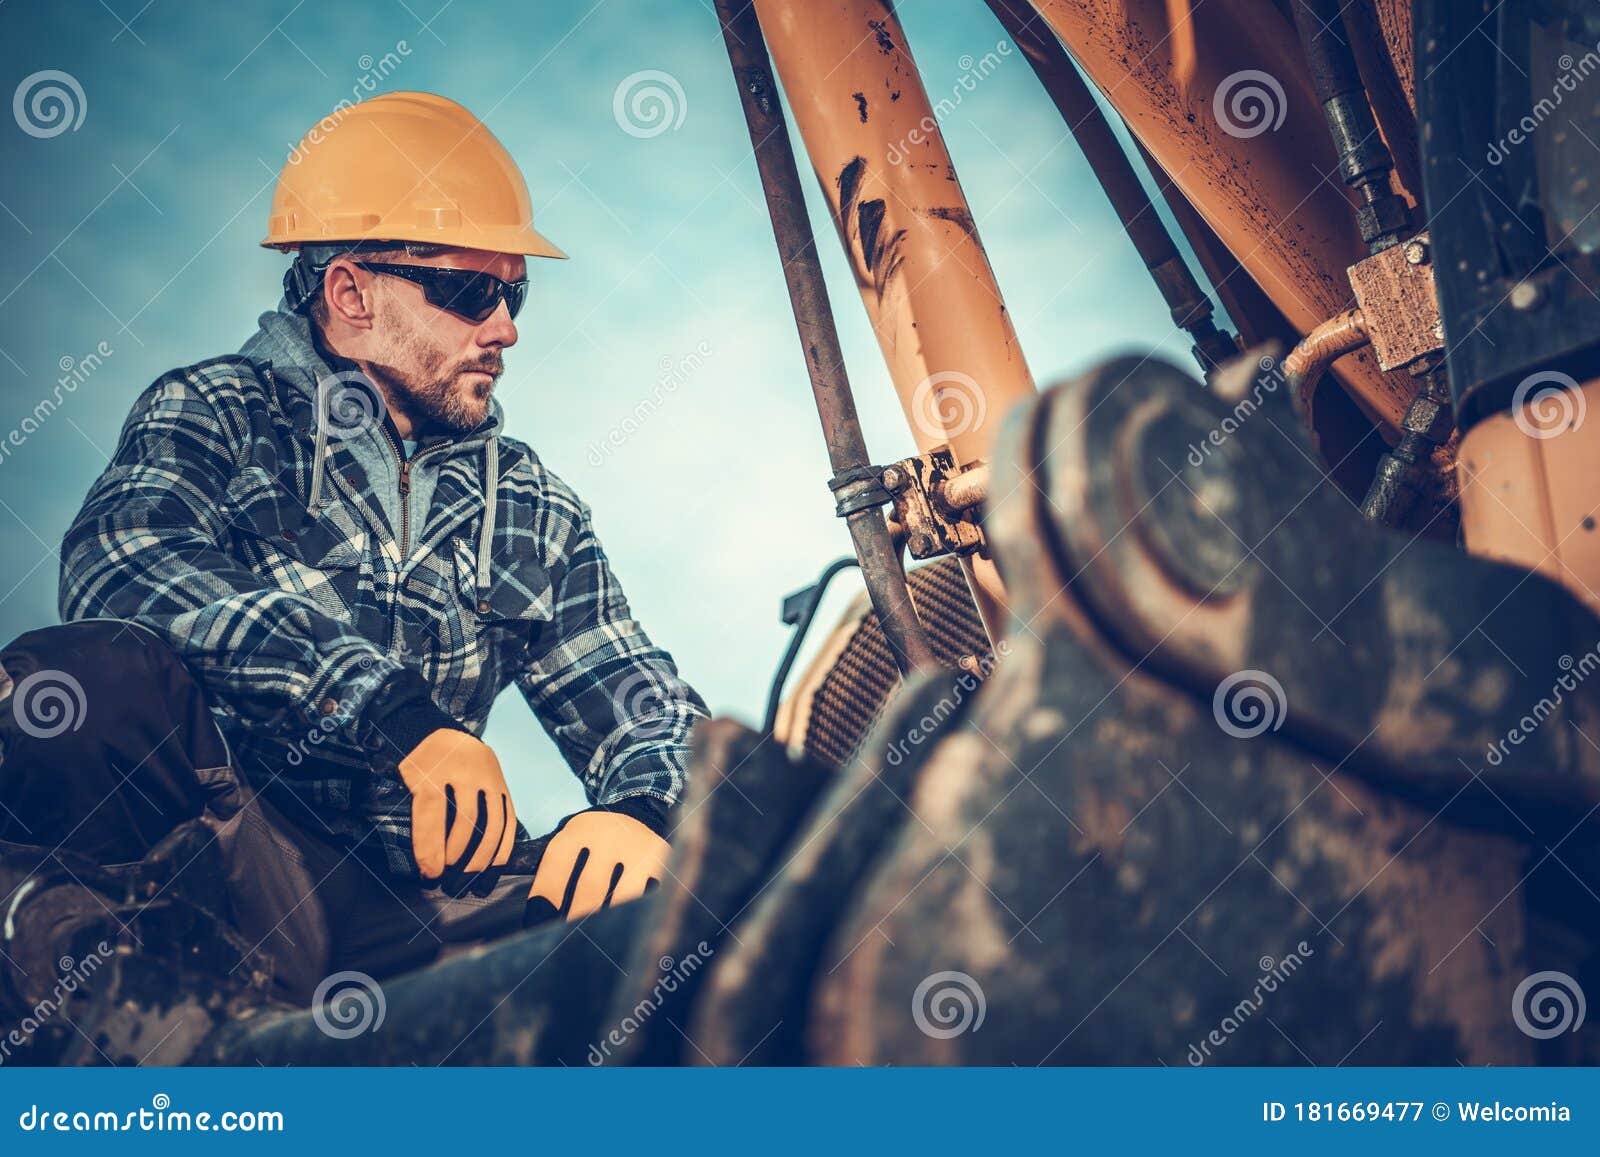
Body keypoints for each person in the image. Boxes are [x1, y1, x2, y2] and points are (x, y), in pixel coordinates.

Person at [0, 92, 708, 1008]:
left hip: (412, 909)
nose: (506, 327)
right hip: (231, 859)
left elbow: (644, 702)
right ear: (350, 292)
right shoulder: (220, 411)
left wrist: (643, 810)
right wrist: (392, 714)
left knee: (662, 913)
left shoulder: (531, 506)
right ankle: (107, 995)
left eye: (514, 292)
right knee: (85, 680)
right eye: (471, 291)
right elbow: (124, 560)